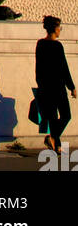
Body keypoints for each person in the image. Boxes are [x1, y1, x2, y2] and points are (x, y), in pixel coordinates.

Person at [35, 15, 76, 152]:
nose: (60, 30)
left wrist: (70, 86)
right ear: (55, 29)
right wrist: (72, 87)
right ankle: (56, 144)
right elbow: (63, 68)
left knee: (60, 116)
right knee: (59, 116)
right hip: (53, 87)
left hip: (52, 87)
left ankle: (52, 138)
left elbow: (39, 69)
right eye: (59, 28)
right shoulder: (53, 45)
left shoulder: (44, 45)